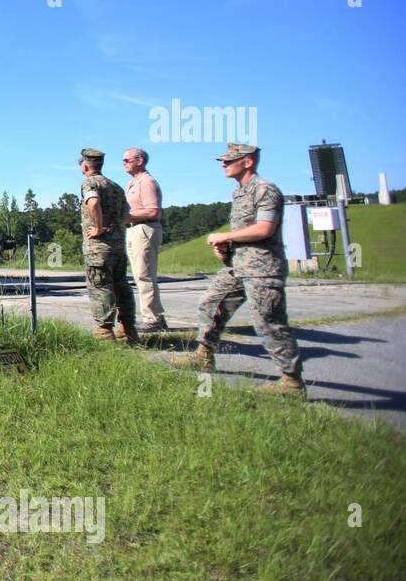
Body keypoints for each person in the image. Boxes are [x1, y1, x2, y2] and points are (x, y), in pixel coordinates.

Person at [173, 144, 305, 397]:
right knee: (210, 304)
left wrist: (226, 235)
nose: (223, 164)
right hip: (237, 267)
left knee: (268, 322)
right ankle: (203, 355)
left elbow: (265, 229)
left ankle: (291, 382)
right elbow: (246, 231)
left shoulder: (265, 190)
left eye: (229, 160)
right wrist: (227, 245)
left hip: (263, 268)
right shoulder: (240, 192)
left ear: (248, 162)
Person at [78, 148, 138, 344]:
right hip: (118, 245)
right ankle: (128, 328)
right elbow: (126, 216)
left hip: (99, 247)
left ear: (85, 166)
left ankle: (105, 332)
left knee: (100, 286)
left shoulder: (90, 183)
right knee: (122, 287)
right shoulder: (116, 187)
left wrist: (98, 228)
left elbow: (93, 203)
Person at [122, 147, 168, 333]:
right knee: (139, 275)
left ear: (140, 161)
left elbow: (153, 211)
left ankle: (153, 319)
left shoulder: (147, 182)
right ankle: (152, 316)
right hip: (134, 229)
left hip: (145, 228)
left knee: (144, 275)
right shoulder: (133, 182)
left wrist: (126, 215)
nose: (124, 162)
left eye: (127, 159)